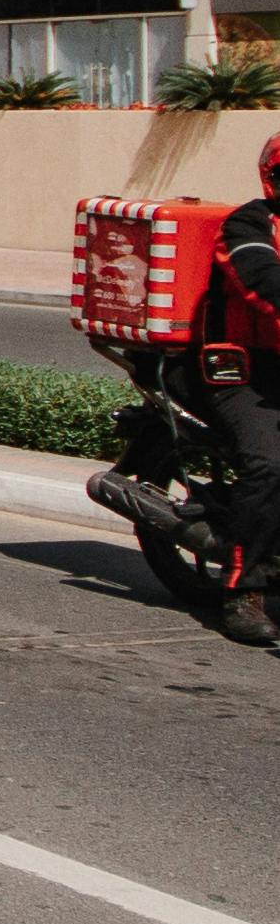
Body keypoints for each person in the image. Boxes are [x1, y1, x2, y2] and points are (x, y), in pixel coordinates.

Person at [204, 128, 280, 648]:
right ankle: (243, 590)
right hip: (243, 369)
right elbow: (261, 279)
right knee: (270, 463)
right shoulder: (248, 224)